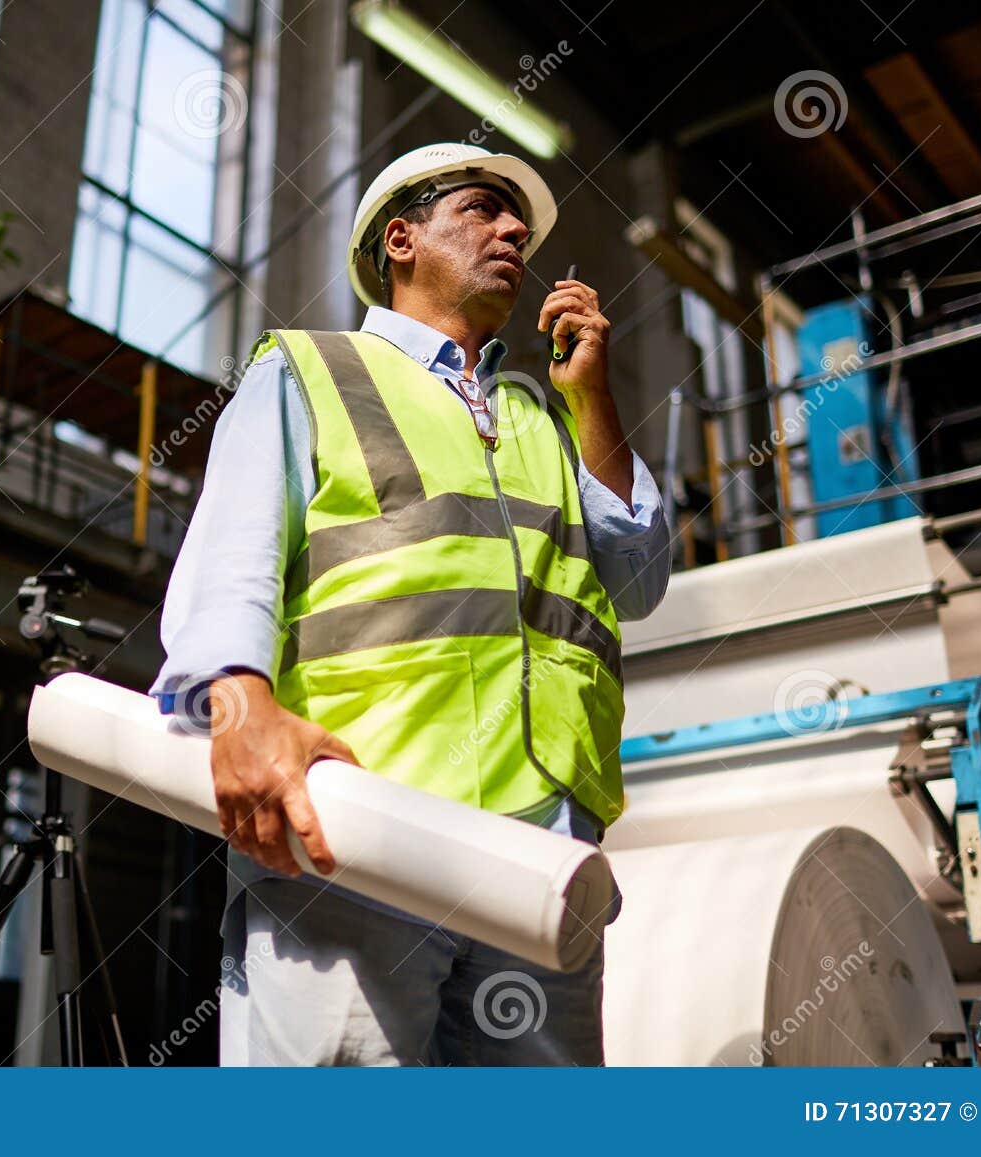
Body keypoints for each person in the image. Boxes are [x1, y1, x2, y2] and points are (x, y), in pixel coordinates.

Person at [151, 142, 671, 1065]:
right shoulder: (310, 370)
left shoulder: (540, 415)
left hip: (543, 843)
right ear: (401, 239)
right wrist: (239, 704)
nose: (514, 230)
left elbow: (637, 580)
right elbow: (231, 557)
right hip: (359, 821)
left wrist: (590, 397)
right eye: (482, 209)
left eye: (519, 221)